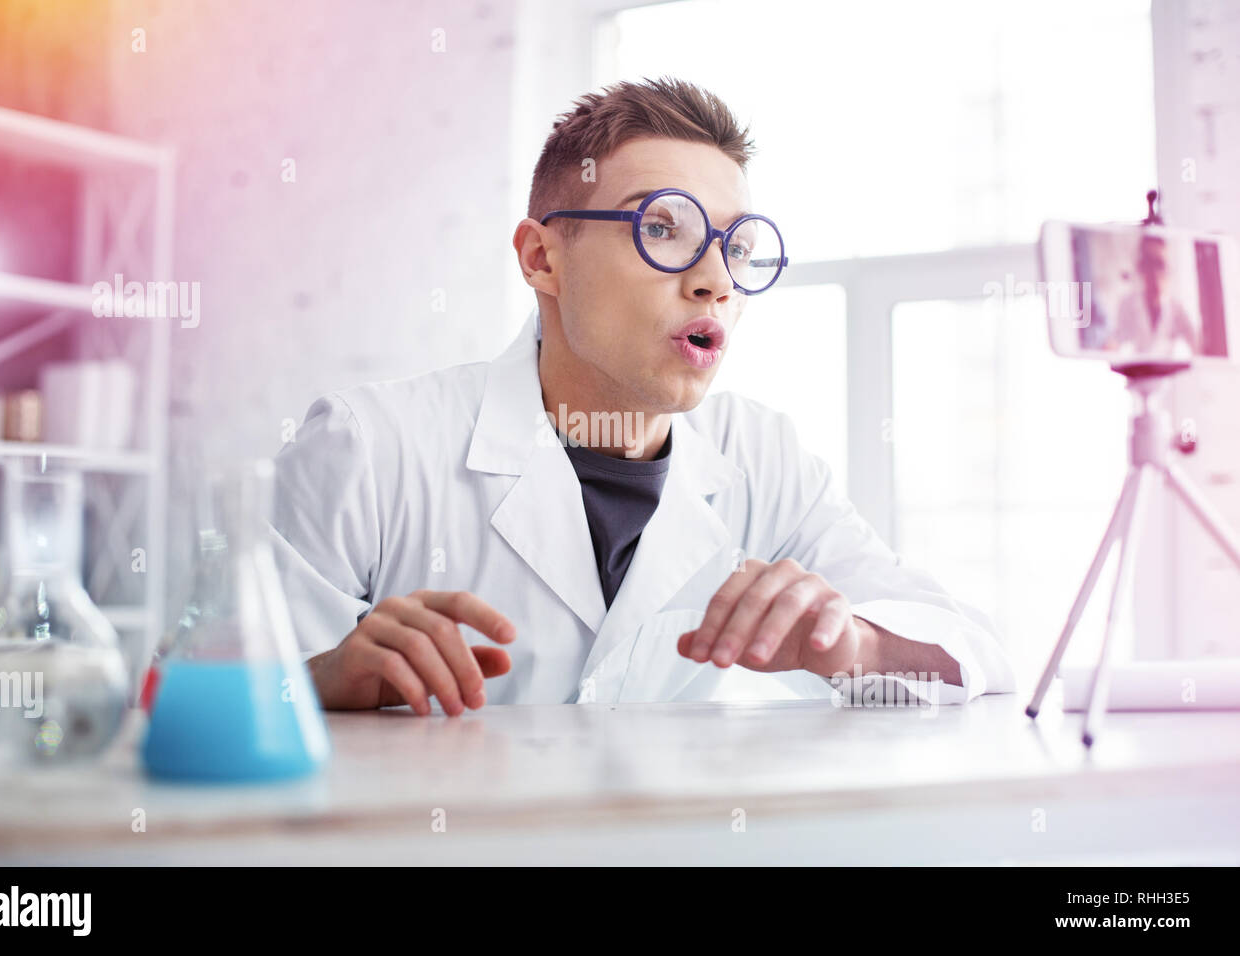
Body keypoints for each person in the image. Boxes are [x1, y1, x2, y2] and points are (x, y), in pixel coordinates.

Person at [270, 76, 1016, 715]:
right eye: (663, 227)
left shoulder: (764, 461)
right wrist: (326, 679)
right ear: (542, 259)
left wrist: (848, 644)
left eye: (739, 247)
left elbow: (974, 659)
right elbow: (194, 708)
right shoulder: (367, 449)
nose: (716, 280)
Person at [1110, 234, 1199, 359]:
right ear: (1141, 266)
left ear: (1167, 267)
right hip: (1137, 375)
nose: (1154, 271)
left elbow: (1196, 343)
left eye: (1159, 264)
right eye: (1148, 262)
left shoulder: (1177, 308)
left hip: (1168, 377)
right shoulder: (1127, 304)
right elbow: (1117, 341)